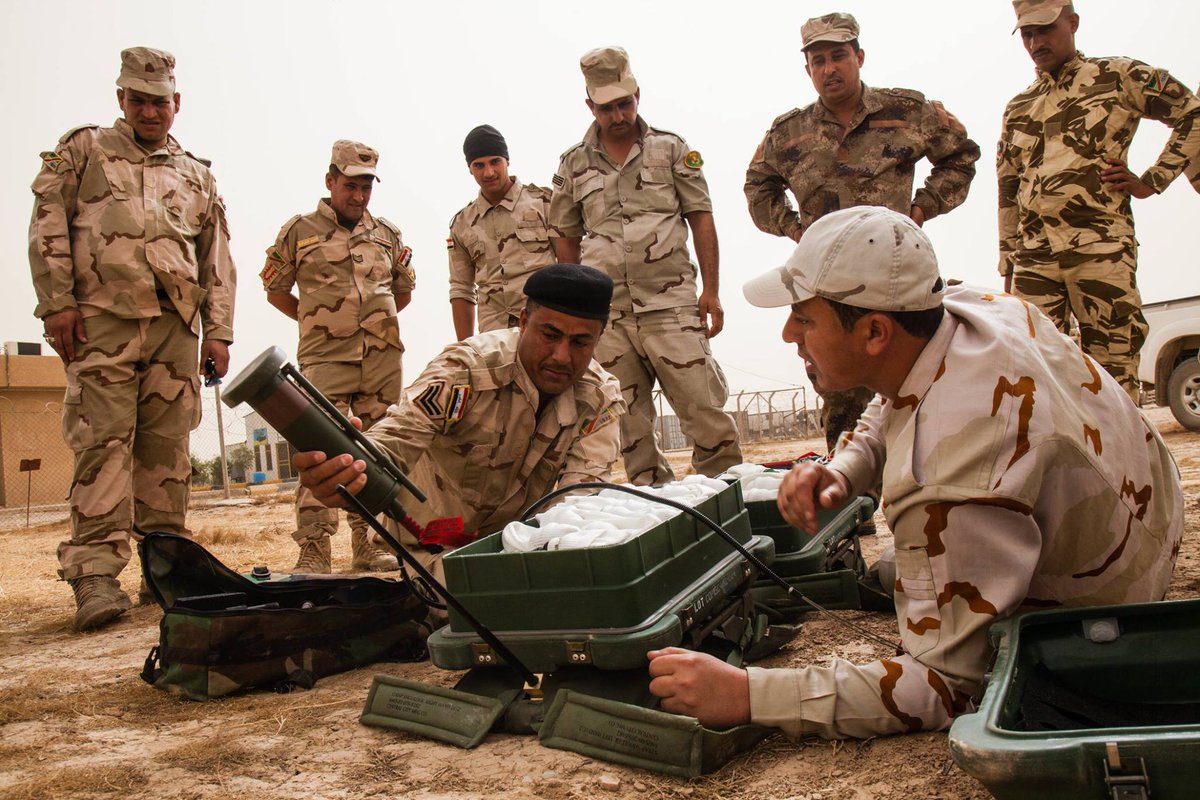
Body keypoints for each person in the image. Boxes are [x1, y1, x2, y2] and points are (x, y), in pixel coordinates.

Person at [646, 206, 1183, 739]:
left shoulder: (949, 474)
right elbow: (900, 392)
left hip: (1109, 611)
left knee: (921, 576)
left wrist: (747, 694)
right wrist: (847, 468)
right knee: (903, 570)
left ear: (875, 331)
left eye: (804, 318)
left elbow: (943, 686)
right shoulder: (969, 308)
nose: (790, 334)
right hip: (1149, 517)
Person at [28, 47, 237, 631]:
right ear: (121, 98)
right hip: (101, 323)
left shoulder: (195, 173)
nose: (151, 111)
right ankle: (95, 575)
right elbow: (48, 226)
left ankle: (164, 569)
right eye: (139, 100)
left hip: (174, 330)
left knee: (166, 451)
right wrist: (58, 304)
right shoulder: (84, 151)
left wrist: (217, 333)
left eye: (160, 102)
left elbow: (215, 258)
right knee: (102, 445)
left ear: (176, 104)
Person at [293, 263, 625, 580]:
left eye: (580, 342)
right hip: (430, 547)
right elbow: (393, 442)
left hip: (519, 552)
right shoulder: (465, 371)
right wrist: (346, 470)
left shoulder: (599, 398)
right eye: (550, 335)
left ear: (598, 339)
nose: (562, 356)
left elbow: (578, 505)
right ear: (523, 321)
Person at [745, 12, 980, 453]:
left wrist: (922, 208)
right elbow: (758, 189)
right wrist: (797, 230)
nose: (829, 69)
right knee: (839, 391)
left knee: (918, 375)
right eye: (818, 61)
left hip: (896, 276)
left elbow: (961, 156)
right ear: (808, 69)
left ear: (859, 56)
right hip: (827, 286)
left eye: (838, 56)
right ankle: (856, 510)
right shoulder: (788, 133)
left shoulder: (907, 112)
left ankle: (929, 481)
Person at [548, 46, 742, 485]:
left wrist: (710, 291)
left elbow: (701, 218)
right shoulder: (573, 164)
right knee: (630, 426)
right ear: (589, 106)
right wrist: (577, 305)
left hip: (671, 305)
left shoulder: (671, 149)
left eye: (624, 103)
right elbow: (564, 233)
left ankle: (732, 498)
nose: (617, 115)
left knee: (704, 411)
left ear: (637, 95)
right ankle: (657, 505)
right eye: (606, 108)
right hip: (609, 316)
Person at [999, 0, 1200, 403]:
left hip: (1101, 250)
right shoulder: (1019, 107)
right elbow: (1007, 188)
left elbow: (1191, 113)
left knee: (1113, 382)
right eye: (1027, 34)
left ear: (1072, 22)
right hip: (1035, 259)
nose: (1036, 42)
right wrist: (1008, 263)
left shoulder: (1118, 76)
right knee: (1034, 378)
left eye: (1045, 29)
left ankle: (1127, 465)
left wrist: (1152, 180)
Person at [263, 140, 415, 574]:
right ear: (330, 181)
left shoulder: (387, 234)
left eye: (367, 186)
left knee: (379, 448)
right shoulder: (299, 231)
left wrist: (374, 327)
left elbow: (403, 291)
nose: (359, 196)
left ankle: (369, 542)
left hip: (382, 361)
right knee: (321, 449)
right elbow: (276, 291)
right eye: (350, 185)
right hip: (324, 361)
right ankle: (314, 548)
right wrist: (316, 321)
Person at [448, 125, 555, 340]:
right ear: (470, 168)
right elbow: (461, 289)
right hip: (493, 337)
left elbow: (571, 263)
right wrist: (466, 348)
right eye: (479, 165)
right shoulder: (462, 224)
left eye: (495, 162)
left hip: (545, 326)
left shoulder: (544, 203)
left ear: (507, 160)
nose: (488, 172)